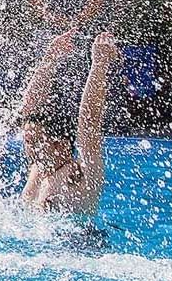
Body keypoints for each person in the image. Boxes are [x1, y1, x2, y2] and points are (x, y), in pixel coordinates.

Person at [17, 30, 120, 215]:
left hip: (79, 243)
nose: (28, 149)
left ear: (61, 145)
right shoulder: (38, 170)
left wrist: (99, 64)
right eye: (27, 142)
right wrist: (51, 57)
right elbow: (27, 110)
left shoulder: (81, 174)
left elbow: (89, 123)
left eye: (33, 142)